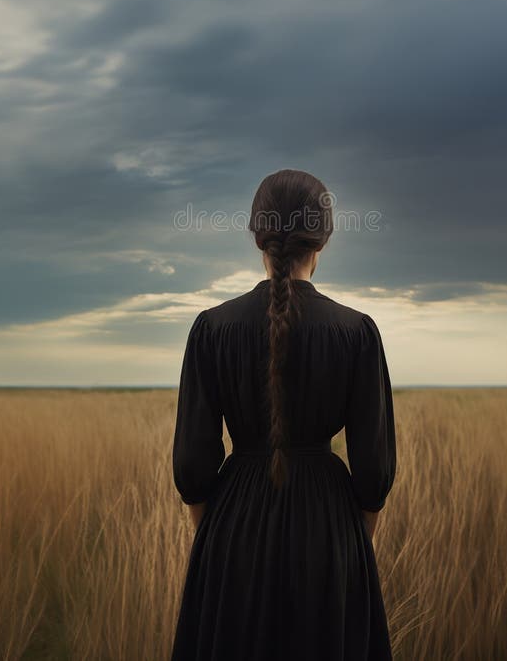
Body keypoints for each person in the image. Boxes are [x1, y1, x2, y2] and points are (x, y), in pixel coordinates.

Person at [170, 169, 397, 660]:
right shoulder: (357, 332)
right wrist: (345, 549)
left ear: (258, 237)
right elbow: (374, 474)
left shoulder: (210, 328)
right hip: (330, 531)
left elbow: (192, 466)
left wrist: (222, 540)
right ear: (324, 240)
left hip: (230, 529)